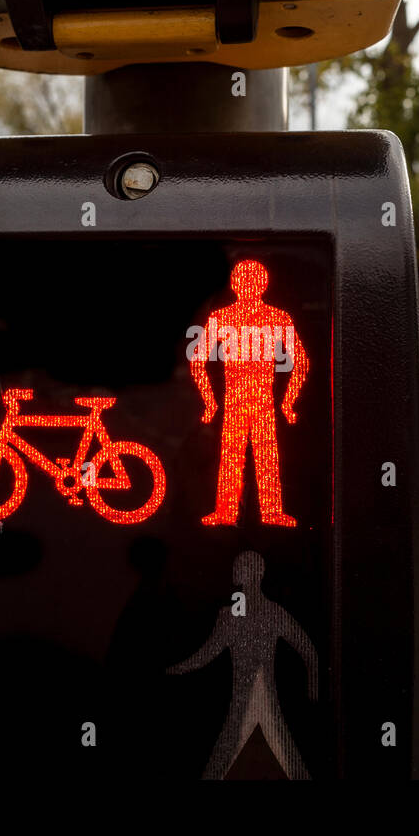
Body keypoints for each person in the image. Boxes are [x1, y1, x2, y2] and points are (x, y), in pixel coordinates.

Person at [167, 551, 318, 779]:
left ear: (257, 572)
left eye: (241, 567)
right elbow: (208, 652)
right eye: (236, 566)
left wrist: (313, 686)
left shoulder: (271, 613)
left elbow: (308, 650)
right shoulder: (231, 616)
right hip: (245, 695)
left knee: (263, 746)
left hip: (261, 694)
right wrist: (179, 668)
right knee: (237, 746)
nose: (235, 571)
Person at [190, 260, 307, 527]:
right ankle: (228, 512)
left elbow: (300, 361)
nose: (249, 286)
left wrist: (288, 402)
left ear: (264, 284)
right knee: (234, 455)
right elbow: (198, 361)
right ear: (234, 284)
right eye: (244, 280)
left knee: (261, 455)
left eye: (253, 280)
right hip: (237, 399)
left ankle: (268, 512)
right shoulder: (222, 318)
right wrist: (209, 402)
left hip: (261, 398)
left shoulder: (276, 318)